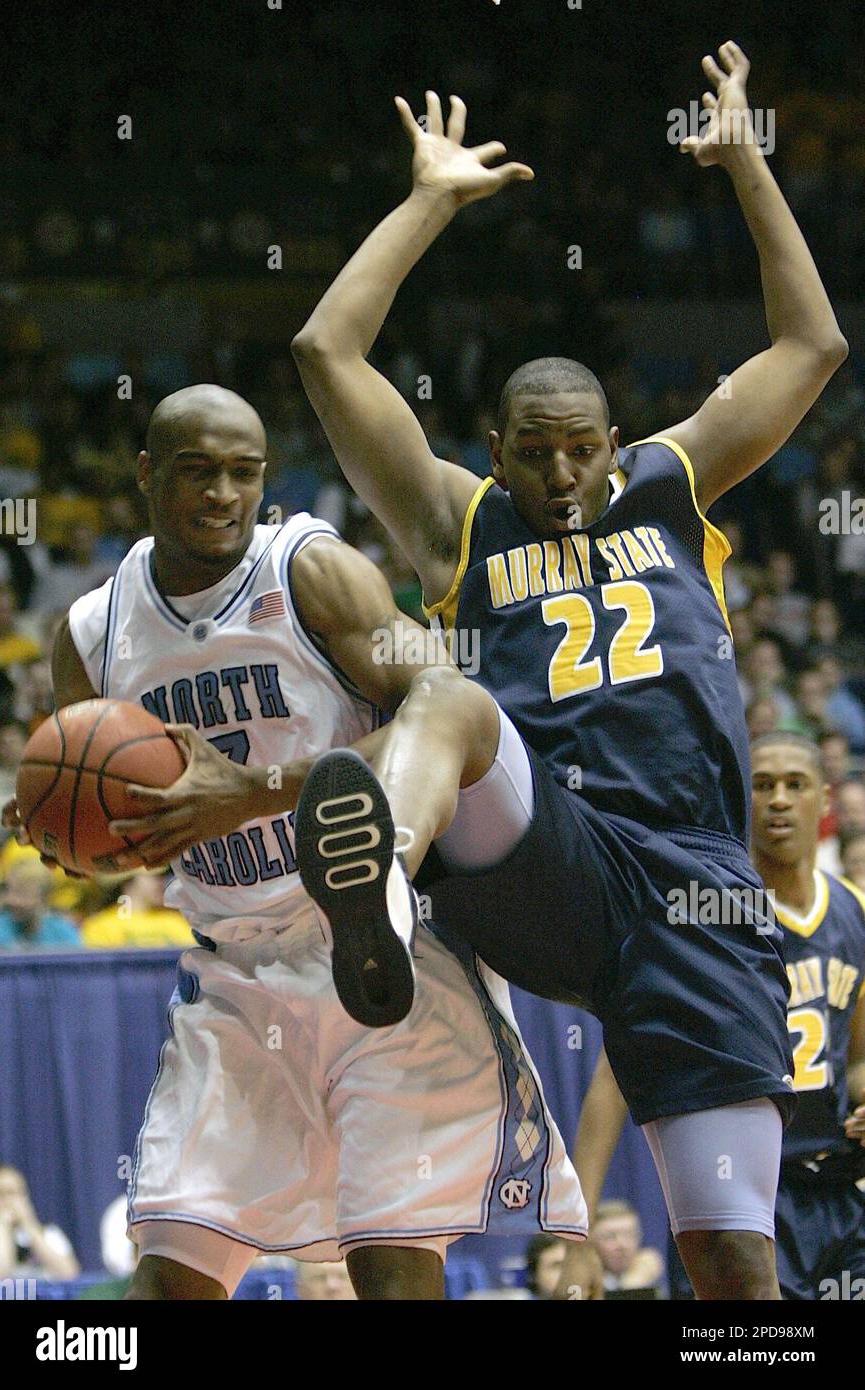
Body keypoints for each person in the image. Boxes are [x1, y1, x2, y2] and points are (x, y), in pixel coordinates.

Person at [290, 43, 848, 1300]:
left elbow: (810, 344)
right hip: (550, 846)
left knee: (731, 1266)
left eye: (579, 454)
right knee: (452, 693)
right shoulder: (459, 517)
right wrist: (429, 198)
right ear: (497, 447)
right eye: (533, 454)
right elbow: (328, 352)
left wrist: (750, 163)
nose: (557, 478)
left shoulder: (677, 474)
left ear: (615, 443)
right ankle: (373, 882)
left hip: (696, 886)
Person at [16, 382, 586, 1301]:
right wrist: (65, 837)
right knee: (168, 1277)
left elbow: (441, 703)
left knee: (390, 1267)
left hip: (378, 950)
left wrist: (252, 795)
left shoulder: (308, 570)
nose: (223, 495)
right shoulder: (91, 632)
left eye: (245, 474)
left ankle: (372, 885)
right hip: (235, 974)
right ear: (147, 474)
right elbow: (106, 820)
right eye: (198, 472)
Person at [572, 734, 865, 1301]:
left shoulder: (854, 910)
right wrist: (578, 1233)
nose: (778, 799)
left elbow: (858, 1059)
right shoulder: (706, 913)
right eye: (763, 785)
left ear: (824, 801)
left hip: (837, 1195)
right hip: (743, 1195)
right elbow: (615, 1079)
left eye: (794, 785)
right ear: (741, 798)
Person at [0, 1165, 80, 1280]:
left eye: (12, 1193)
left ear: (25, 1198)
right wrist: (1, 1227)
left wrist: (29, 1225)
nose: (7, 1200)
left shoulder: (49, 1233)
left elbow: (68, 1274)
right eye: (0, 1194)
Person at [0, 859, 80, 950]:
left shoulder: (62, 933)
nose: (14, 901)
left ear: (44, 898)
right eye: (10, 891)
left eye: (23, 894)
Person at [590, 1200, 664, 1295]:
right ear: (592, 1243)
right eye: (609, 1236)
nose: (622, 1245)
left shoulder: (649, 1272)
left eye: (629, 1235)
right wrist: (633, 1285)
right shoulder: (582, 1284)